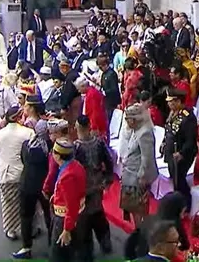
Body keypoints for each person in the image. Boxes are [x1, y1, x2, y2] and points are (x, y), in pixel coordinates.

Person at [0, 106, 33, 240]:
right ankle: (30, 228)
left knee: (8, 204)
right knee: (29, 203)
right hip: (25, 174)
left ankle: (11, 229)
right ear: (19, 117)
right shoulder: (29, 133)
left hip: (6, 174)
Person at [74, 115, 114, 255]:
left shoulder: (76, 147)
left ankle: (87, 250)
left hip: (83, 187)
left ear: (78, 127)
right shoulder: (99, 142)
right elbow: (109, 161)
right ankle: (105, 242)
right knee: (97, 212)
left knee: (84, 218)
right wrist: (108, 179)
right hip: (97, 183)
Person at [13, 120, 52, 260]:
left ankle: (26, 247)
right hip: (45, 186)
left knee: (26, 216)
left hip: (27, 184)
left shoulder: (26, 145)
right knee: (50, 216)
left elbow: (23, 160)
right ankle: (53, 245)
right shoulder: (50, 146)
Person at [48, 139, 88, 262]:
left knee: (59, 255)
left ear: (58, 156)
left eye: (54, 152)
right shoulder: (76, 166)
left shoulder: (67, 177)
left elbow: (71, 204)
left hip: (64, 219)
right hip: (77, 216)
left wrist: (66, 229)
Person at [120, 104, 158, 226]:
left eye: (128, 119)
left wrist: (142, 177)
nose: (127, 122)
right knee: (132, 207)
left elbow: (147, 158)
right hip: (130, 174)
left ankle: (141, 231)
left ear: (135, 119)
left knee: (139, 208)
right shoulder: (136, 129)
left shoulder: (145, 133)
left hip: (137, 178)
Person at [124, 192, 190, 259]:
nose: (183, 216)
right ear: (177, 211)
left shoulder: (149, 220)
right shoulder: (172, 228)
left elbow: (130, 242)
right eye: (183, 212)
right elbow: (185, 245)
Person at [162, 89, 197, 209]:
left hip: (182, 154)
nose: (168, 104)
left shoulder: (188, 117)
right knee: (174, 178)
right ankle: (178, 202)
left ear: (178, 101)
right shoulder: (172, 113)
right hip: (170, 151)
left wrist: (182, 153)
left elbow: (190, 139)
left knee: (180, 180)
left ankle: (186, 204)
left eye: (171, 101)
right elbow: (169, 131)